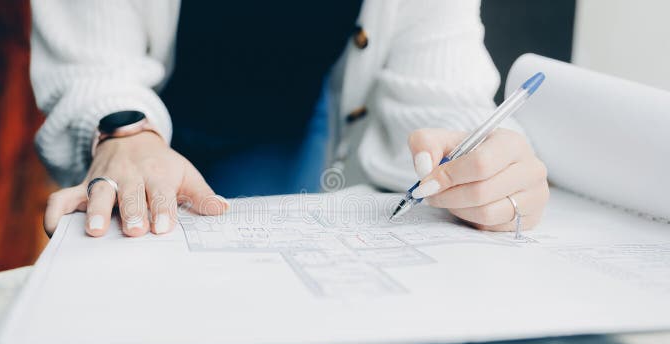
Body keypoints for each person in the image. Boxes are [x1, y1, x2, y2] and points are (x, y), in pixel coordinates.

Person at [32, 0, 549, 238]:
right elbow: (92, 68)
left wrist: (488, 169)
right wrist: (128, 137)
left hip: (290, 129)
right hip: (167, 120)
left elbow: (450, 104)